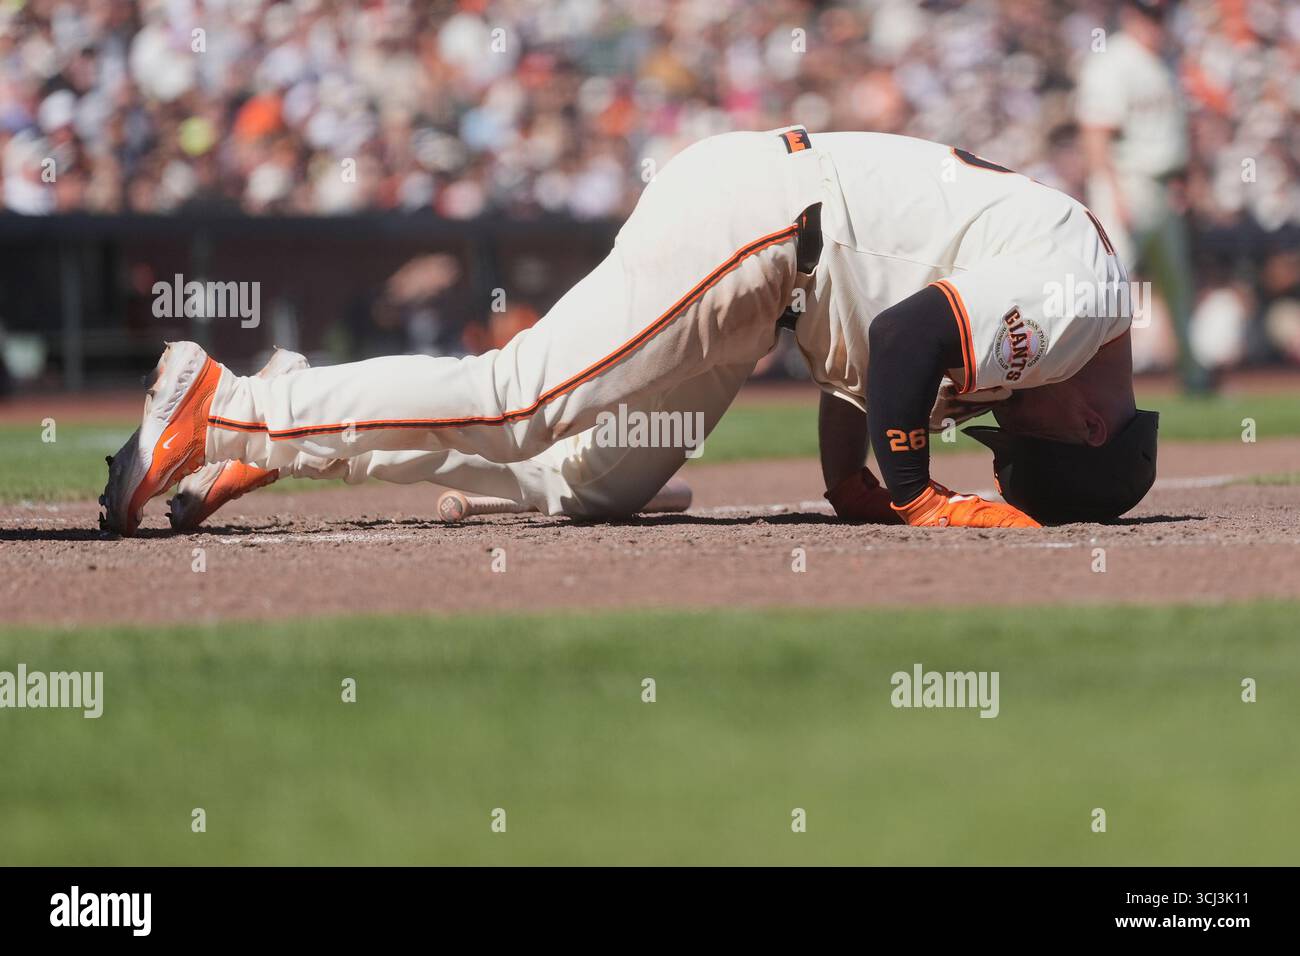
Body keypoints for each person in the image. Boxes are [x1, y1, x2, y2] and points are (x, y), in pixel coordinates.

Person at [100, 127, 1157, 536]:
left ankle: (289, 424)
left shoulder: (1065, 299)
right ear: (1092, 423)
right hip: (757, 223)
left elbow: (871, 362)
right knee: (521, 397)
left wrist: (858, 484)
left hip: (775, 262)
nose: (1003, 427)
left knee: (588, 484)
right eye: (1023, 438)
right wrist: (921, 494)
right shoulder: (1079, 300)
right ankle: (228, 406)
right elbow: (908, 340)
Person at [1077, 0, 1210, 393]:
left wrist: (1184, 182)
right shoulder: (1113, 60)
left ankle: (1195, 377)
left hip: (1164, 187)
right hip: (1125, 181)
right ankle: (1088, 380)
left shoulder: (1165, 60)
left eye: (1163, 13)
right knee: (1109, 287)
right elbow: (1096, 131)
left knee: (1176, 286)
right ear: (1131, 15)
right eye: (1150, 14)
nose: (1158, 21)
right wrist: (1113, 193)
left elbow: (1175, 132)